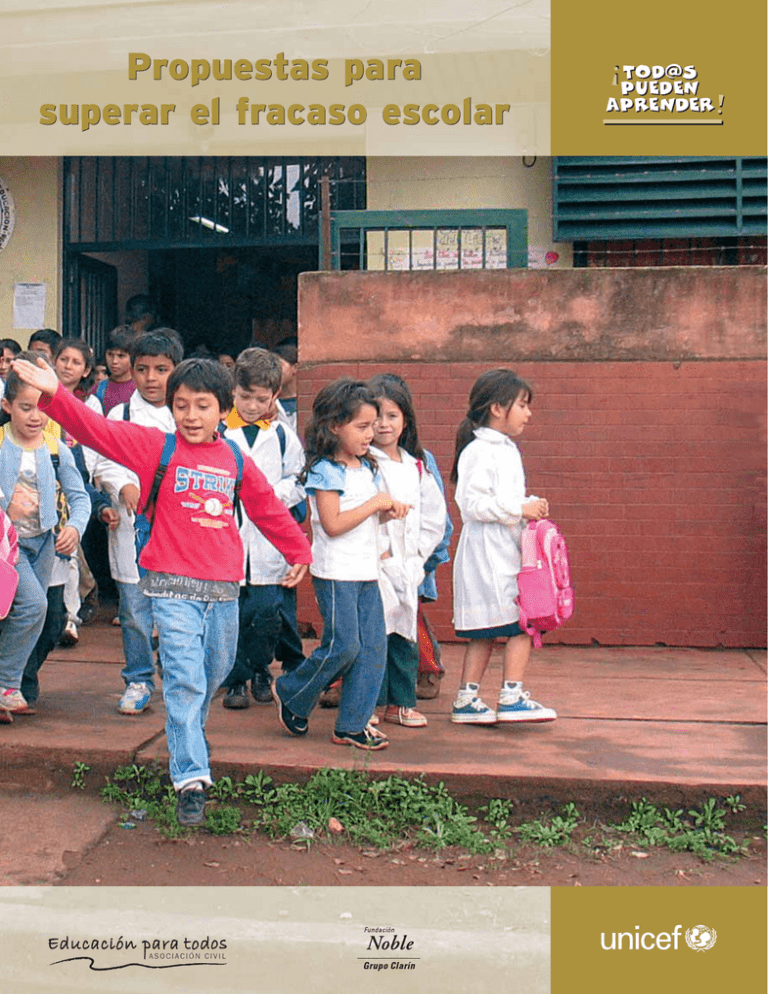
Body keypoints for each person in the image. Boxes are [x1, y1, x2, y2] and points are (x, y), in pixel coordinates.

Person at [12, 353, 311, 826]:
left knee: (212, 674)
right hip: (170, 588)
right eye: (182, 406)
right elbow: (94, 430)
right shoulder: (157, 448)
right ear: (171, 409)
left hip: (223, 593)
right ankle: (190, 777)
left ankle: (190, 734)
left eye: (203, 406)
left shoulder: (234, 457)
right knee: (185, 680)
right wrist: (54, 393)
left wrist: (299, 551)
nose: (191, 416)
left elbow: (267, 507)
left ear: (223, 410)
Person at [272, 379, 409, 751]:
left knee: (372, 649)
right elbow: (332, 525)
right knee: (344, 645)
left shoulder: (368, 467)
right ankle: (292, 688)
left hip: (367, 570)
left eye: (373, 425)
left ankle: (352, 724)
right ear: (335, 426)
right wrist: (376, 504)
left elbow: (366, 518)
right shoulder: (325, 471)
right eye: (362, 427)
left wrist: (388, 512)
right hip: (336, 574)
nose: (372, 433)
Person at [450, 369, 557, 725]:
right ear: (498, 407)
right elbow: (470, 504)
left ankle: (468, 699)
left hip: (501, 549)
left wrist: (527, 505)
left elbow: (500, 499)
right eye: (522, 405)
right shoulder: (480, 451)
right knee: (522, 622)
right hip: (488, 553)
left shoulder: (504, 448)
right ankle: (511, 696)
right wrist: (518, 508)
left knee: (487, 628)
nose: (528, 413)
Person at [91, 330, 182, 715]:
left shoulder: (186, 410)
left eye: (161, 369)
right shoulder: (121, 413)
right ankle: (139, 678)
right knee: (134, 609)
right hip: (132, 523)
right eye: (142, 368)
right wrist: (123, 483)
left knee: (178, 609)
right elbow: (104, 458)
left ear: (176, 370)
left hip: (178, 527)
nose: (150, 377)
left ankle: (178, 677)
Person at [0, 354, 90, 714]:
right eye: (25, 408)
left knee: (37, 617)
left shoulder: (55, 447)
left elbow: (80, 497)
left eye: (42, 408)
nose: (35, 416)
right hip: (8, 548)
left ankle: (14, 684)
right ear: (7, 406)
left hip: (45, 546)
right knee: (32, 606)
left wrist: (74, 527)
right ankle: (7, 684)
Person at [221, 348, 306, 707]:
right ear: (233, 393)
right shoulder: (219, 432)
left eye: (261, 399)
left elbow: (298, 480)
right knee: (233, 612)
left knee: (266, 610)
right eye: (244, 397)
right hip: (229, 534)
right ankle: (236, 678)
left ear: (274, 396)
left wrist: (270, 495)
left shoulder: (284, 436)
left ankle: (260, 667)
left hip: (268, 537)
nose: (252, 406)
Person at [367, 374, 446, 728]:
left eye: (392, 416)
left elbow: (434, 517)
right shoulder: (361, 462)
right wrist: (382, 555)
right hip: (370, 565)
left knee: (404, 636)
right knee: (371, 639)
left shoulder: (417, 465)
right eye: (376, 416)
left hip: (408, 565)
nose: (383, 424)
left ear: (406, 420)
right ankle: (366, 705)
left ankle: (401, 703)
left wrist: (417, 558)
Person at [51, 338, 104, 647]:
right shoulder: (43, 396)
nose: (68, 366)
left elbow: (95, 443)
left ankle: (70, 618)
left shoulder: (89, 404)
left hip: (76, 482)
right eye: (64, 359)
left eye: (76, 362)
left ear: (86, 370)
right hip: (44, 481)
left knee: (68, 551)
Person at [94, 325, 136, 414]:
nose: (114, 361)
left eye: (121, 356)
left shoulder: (141, 389)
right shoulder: (98, 390)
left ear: (133, 357)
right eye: (110, 354)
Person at [271, 342, 299, 431]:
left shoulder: (306, 400)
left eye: (279, 365)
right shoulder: (269, 401)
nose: (275, 371)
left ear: (295, 368)